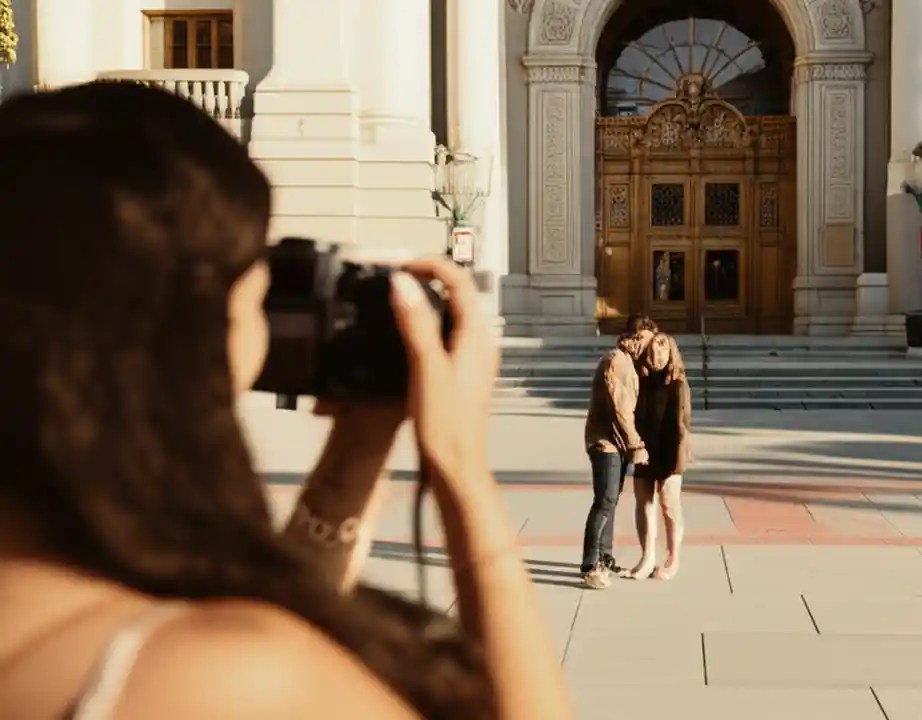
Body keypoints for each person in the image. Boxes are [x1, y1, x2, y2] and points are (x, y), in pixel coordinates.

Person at [0, 83, 571, 719]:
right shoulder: (216, 677)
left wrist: (356, 451)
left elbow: (275, 614)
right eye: (257, 293)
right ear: (193, 340)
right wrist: (461, 466)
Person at [579, 315, 657, 590]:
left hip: (616, 444)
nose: (647, 348)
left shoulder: (628, 365)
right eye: (645, 341)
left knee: (610, 501)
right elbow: (621, 410)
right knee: (604, 502)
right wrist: (636, 445)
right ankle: (590, 565)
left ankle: (605, 556)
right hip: (606, 444)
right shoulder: (617, 362)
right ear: (632, 338)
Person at [623, 333, 692, 581]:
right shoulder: (640, 381)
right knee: (643, 503)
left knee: (669, 504)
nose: (657, 356)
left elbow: (682, 425)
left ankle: (673, 556)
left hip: (670, 450)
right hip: (644, 448)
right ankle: (647, 556)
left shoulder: (678, 384)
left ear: (671, 354)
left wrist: (676, 461)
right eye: (652, 351)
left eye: (662, 351)